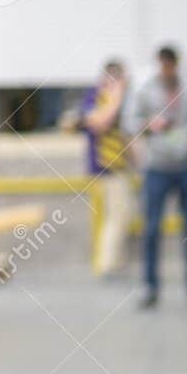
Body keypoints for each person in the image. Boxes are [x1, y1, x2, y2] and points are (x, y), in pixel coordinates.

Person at [126, 44, 187, 307]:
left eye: (170, 66)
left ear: (176, 65)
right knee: (151, 229)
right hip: (156, 167)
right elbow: (129, 121)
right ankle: (150, 287)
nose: (166, 70)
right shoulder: (145, 89)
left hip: (185, 166)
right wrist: (149, 124)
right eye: (163, 66)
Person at [79, 60, 133, 274]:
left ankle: (115, 262)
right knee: (116, 215)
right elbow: (100, 122)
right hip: (104, 167)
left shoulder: (120, 101)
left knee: (122, 214)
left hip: (120, 167)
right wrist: (117, 95)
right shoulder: (95, 96)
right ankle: (107, 265)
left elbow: (126, 134)